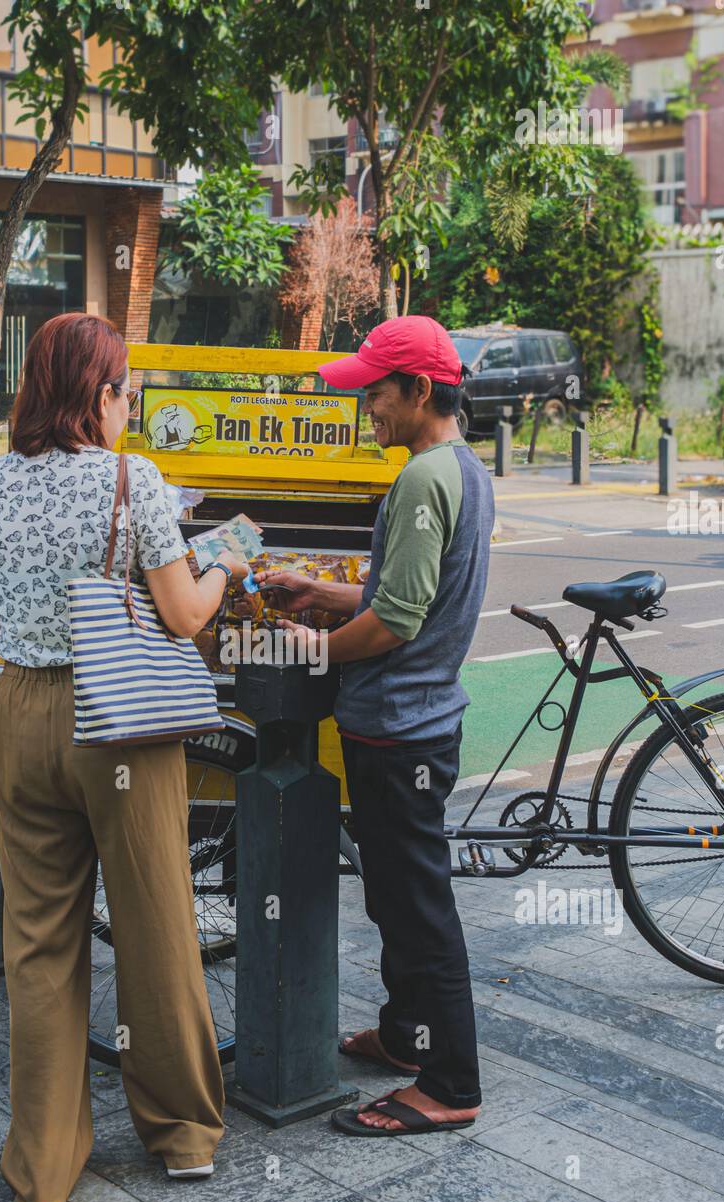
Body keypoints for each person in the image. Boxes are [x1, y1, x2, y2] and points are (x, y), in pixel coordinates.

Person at [0, 312, 248, 1202]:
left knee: (37, 947)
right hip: (119, 720)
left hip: (24, 716)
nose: (129, 406)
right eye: (124, 391)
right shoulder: (134, 478)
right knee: (157, 921)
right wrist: (228, 556)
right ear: (101, 395)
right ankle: (183, 1136)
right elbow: (186, 614)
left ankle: (41, 1168)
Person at [262, 315, 494, 1138]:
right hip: (414, 720)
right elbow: (408, 596)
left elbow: (395, 622)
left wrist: (316, 646)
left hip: (401, 729)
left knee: (418, 906)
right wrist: (325, 594)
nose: (366, 406)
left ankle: (450, 1082)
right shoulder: (459, 467)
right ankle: (406, 1037)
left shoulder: (424, 479)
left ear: (419, 390)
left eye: (375, 391)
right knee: (395, 901)